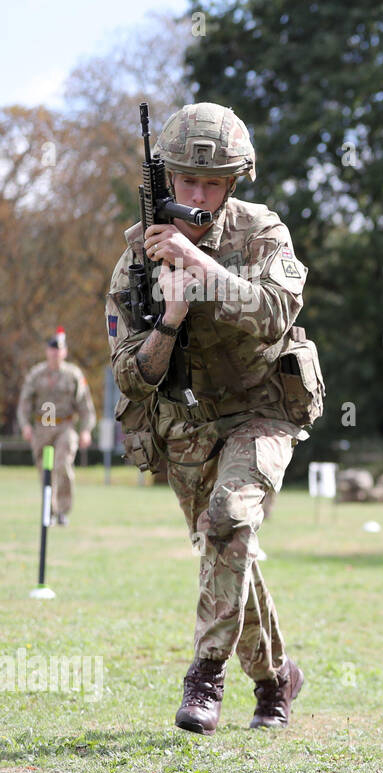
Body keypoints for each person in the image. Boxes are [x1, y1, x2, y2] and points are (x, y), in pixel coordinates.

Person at [105, 102, 323, 735]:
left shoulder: (261, 233)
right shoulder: (137, 260)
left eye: (212, 183)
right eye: (186, 181)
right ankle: (278, 678)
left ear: (233, 184)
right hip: (186, 428)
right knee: (228, 549)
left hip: (261, 408)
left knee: (229, 519)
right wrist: (169, 321)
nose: (197, 196)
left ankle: (204, 677)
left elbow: (276, 311)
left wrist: (202, 269)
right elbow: (127, 375)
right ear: (167, 180)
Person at [17, 327, 96, 525]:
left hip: (65, 427)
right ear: (47, 351)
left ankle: (63, 511)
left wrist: (85, 430)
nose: (55, 353)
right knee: (45, 472)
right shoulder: (36, 375)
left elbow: (85, 407)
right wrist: (25, 426)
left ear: (65, 351)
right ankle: (49, 512)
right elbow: (24, 403)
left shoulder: (73, 375)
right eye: (52, 349)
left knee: (62, 465)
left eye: (59, 349)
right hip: (42, 428)